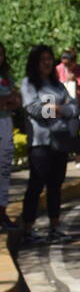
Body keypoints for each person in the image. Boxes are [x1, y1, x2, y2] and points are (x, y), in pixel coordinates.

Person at [20, 44, 80, 243]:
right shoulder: (29, 83)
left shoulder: (57, 85)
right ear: (35, 62)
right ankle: (28, 229)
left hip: (60, 142)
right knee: (36, 186)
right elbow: (33, 109)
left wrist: (57, 109)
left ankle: (54, 227)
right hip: (40, 142)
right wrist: (58, 108)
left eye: (49, 59)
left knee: (56, 186)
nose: (47, 63)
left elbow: (74, 107)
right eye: (42, 59)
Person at [0, 43, 19, 229]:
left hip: (6, 124)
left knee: (5, 170)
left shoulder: (6, 78)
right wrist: (6, 101)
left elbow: (16, 99)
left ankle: (2, 213)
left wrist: (6, 102)